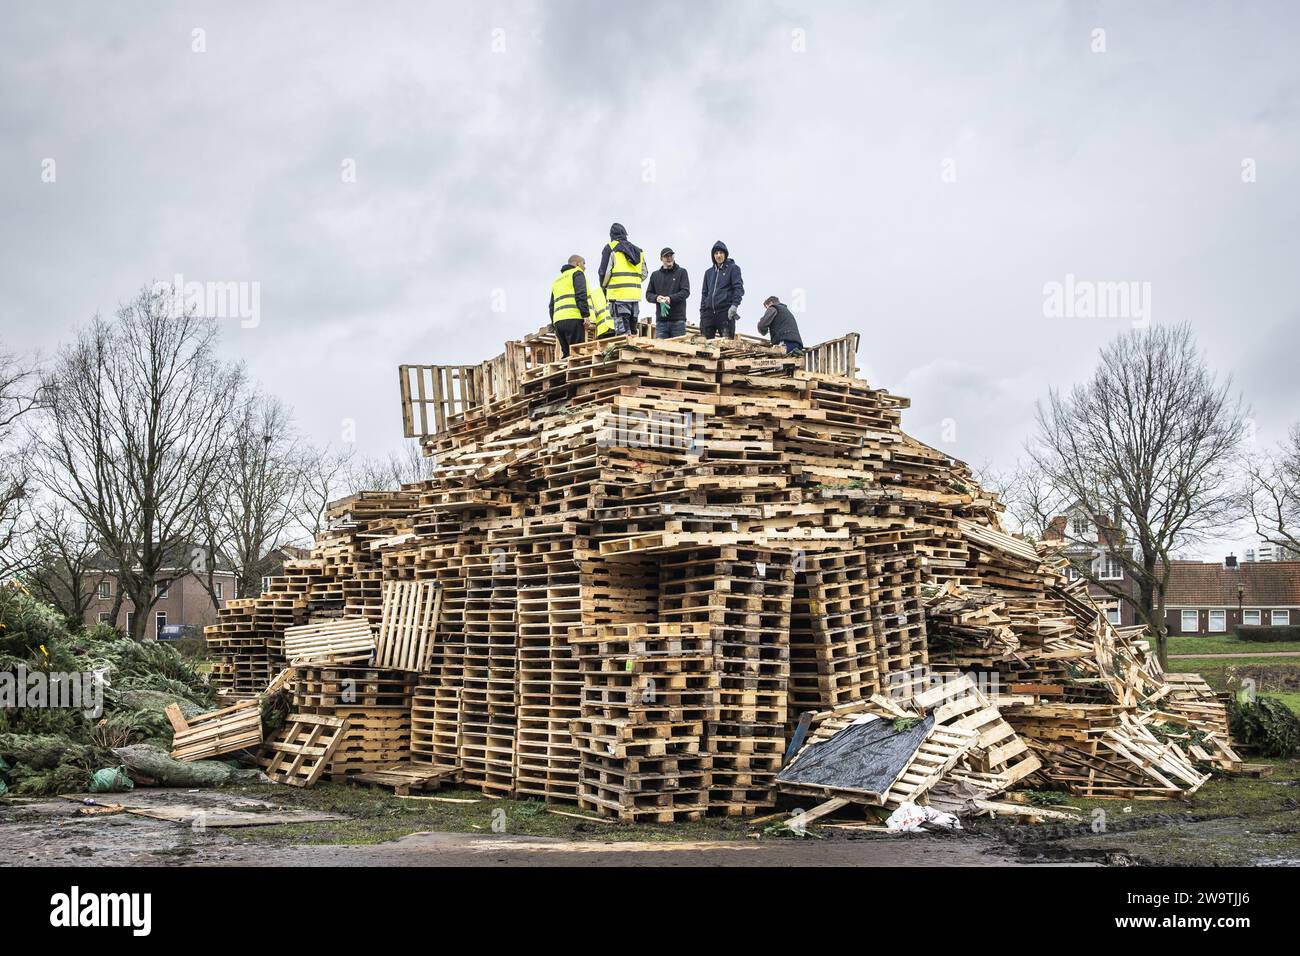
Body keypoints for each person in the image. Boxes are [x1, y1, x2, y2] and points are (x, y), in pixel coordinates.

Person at [598, 222, 649, 336]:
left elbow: (604, 272)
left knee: (622, 334)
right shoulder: (638, 251)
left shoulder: (610, 248)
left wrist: (604, 287)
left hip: (618, 296)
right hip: (634, 296)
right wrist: (632, 282)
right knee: (633, 330)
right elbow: (644, 273)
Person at [699, 240, 743, 338]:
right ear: (713, 256)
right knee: (705, 348)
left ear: (725, 254)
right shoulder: (708, 272)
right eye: (716, 253)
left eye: (721, 253)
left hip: (725, 313)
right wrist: (702, 312)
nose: (719, 255)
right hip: (708, 314)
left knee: (726, 346)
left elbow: (738, 288)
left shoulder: (733, 269)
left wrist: (734, 305)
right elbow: (704, 293)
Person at [548, 255, 591, 357]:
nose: (585, 267)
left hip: (558, 322)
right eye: (584, 264)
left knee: (567, 355)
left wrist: (554, 324)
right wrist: (585, 315)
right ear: (577, 264)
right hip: (573, 319)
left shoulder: (557, 280)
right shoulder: (577, 273)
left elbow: (551, 305)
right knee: (577, 354)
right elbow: (581, 295)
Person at [645, 247, 690, 339]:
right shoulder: (655, 275)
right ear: (661, 259)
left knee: (679, 351)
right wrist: (656, 298)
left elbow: (685, 292)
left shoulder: (682, 272)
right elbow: (648, 294)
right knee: (660, 351)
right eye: (666, 256)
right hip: (661, 322)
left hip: (678, 321)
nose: (669, 258)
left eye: (671, 255)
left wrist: (670, 298)